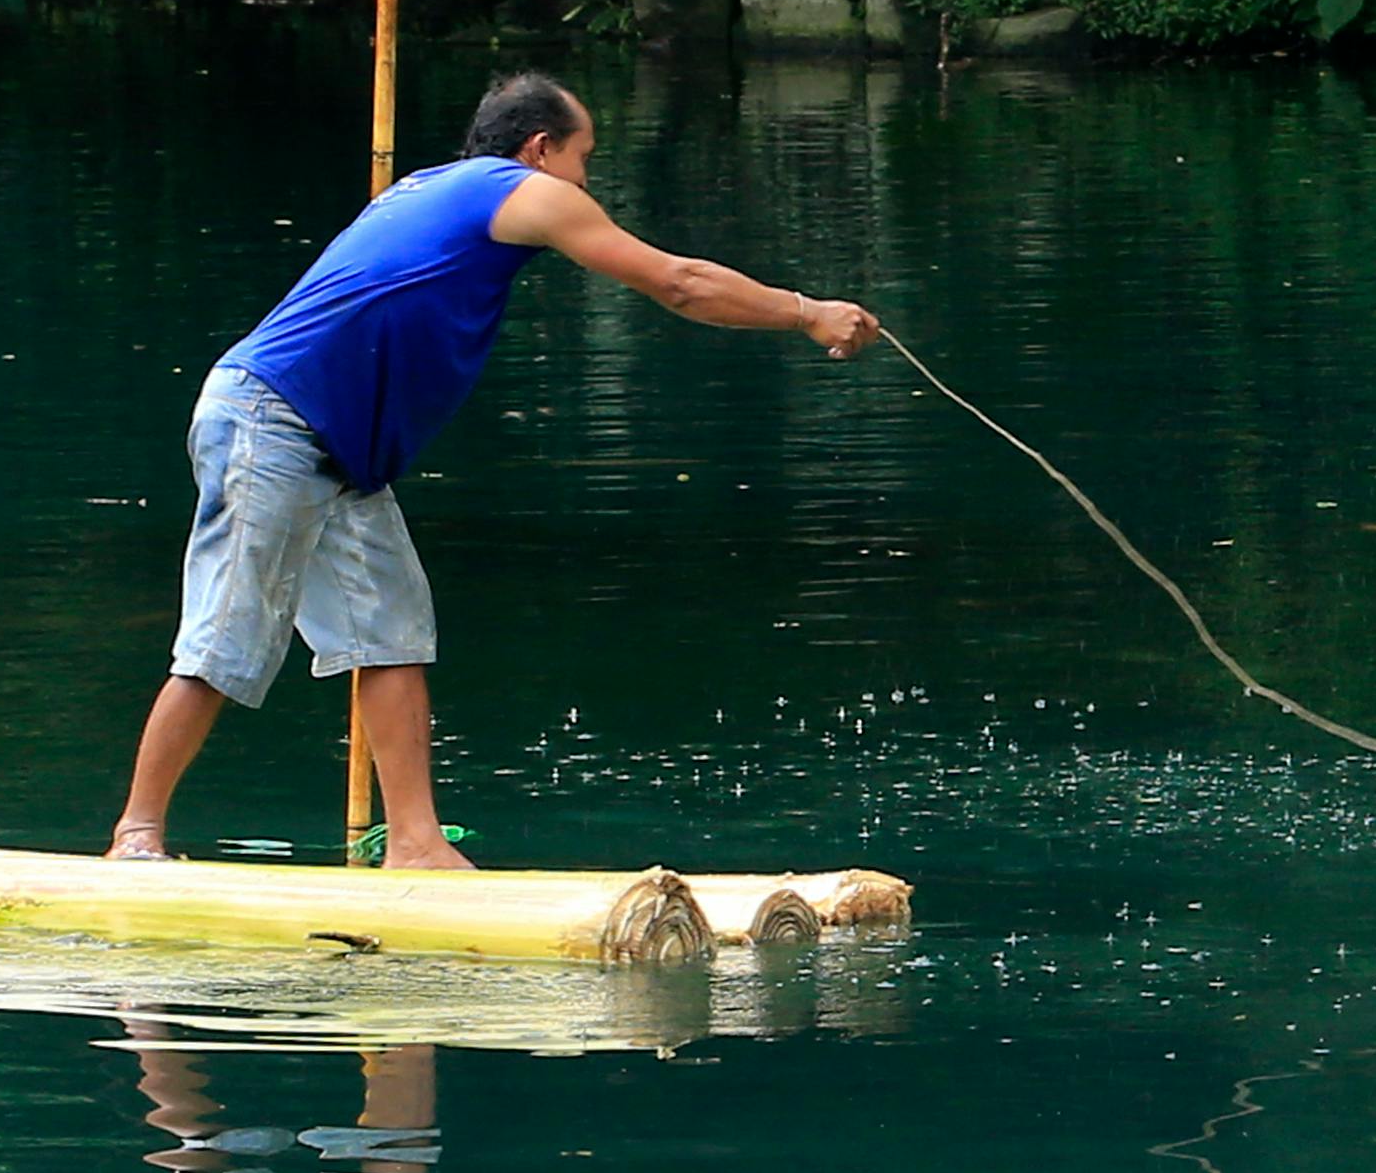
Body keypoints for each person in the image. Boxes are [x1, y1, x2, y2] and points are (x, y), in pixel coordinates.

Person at [110, 71, 877, 867]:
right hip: (274, 420)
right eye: (584, 158)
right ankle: (136, 837)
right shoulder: (523, 190)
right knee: (229, 638)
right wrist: (805, 311)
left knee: (392, 632)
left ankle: (415, 843)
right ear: (540, 149)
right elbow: (677, 284)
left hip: (339, 446)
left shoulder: (428, 186)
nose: (586, 180)